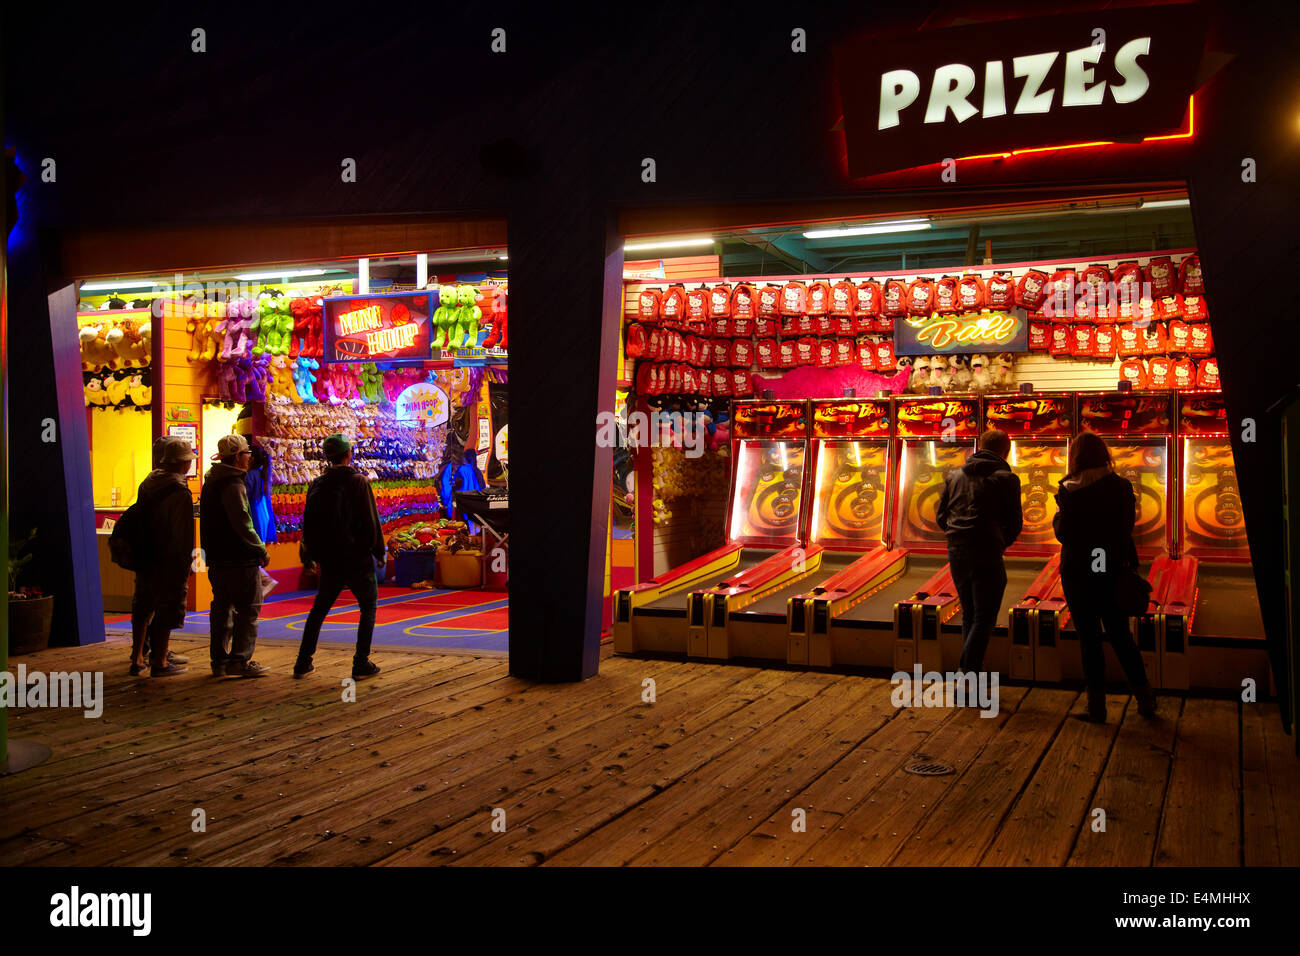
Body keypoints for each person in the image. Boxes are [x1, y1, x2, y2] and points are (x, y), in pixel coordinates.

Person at [1053, 430, 1157, 722]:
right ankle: (1145, 698)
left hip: (1078, 572)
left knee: (1089, 639)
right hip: (1111, 568)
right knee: (1121, 635)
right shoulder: (1122, 487)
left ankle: (1096, 706)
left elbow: (1065, 534)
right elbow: (1126, 528)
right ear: (1104, 455)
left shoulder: (1070, 489)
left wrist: (1058, 515)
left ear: (1075, 458)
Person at [293, 433, 385, 680]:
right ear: (348, 454)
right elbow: (370, 520)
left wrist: (308, 556)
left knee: (319, 609)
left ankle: (303, 661)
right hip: (356, 557)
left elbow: (308, 524)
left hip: (330, 558)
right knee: (368, 607)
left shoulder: (318, 484)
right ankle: (361, 661)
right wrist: (379, 550)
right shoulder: (358, 482)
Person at [936, 428, 1023, 673]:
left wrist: (957, 536)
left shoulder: (954, 476)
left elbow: (941, 516)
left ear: (979, 446)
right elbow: (1015, 522)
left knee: (970, 614)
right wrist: (999, 542)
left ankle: (971, 678)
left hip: (956, 549)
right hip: (986, 549)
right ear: (1006, 450)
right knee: (984, 618)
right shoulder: (1006, 478)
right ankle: (967, 673)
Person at [201, 434, 269, 677]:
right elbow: (242, 522)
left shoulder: (211, 481)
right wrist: (259, 548)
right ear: (238, 457)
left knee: (221, 608)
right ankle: (239, 660)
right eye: (247, 453)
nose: (251, 458)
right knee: (248, 610)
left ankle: (218, 661)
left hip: (217, 557)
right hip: (239, 558)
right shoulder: (233, 484)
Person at [128, 436, 196, 677]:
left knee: (143, 604)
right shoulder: (179, 491)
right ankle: (159, 660)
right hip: (167, 558)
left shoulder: (148, 483)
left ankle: (137, 657)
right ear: (181, 463)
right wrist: (187, 562)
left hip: (145, 553)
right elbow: (182, 533)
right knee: (168, 607)